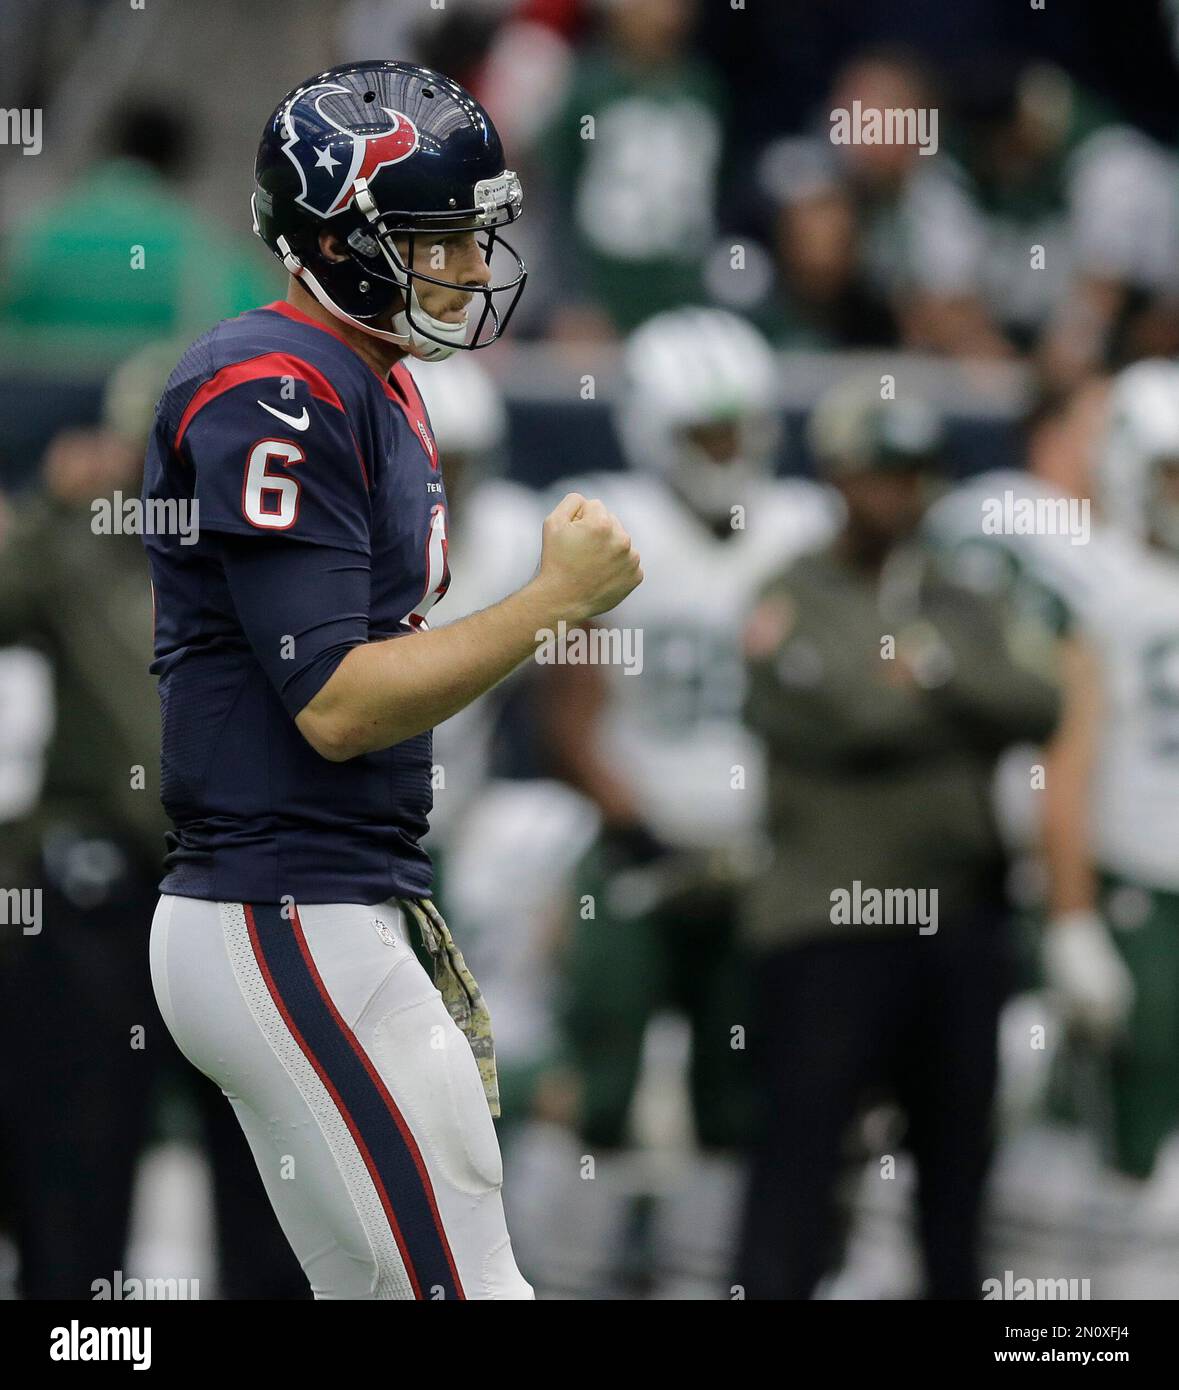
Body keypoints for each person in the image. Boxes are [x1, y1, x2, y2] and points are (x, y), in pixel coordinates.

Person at [140, 59, 641, 1302]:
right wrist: (550, 602)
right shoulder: (277, 385)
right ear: (337, 239)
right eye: (435, 239)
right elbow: (340, 702)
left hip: (331, 896)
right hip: (281, 902)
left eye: (472, 238)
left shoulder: (371, 378)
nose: (470, 268)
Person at [735, 376, 1061, 1299]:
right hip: (826, 924)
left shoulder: (959, 597)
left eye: (915, 474)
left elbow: (1040, 703)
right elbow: (843, 717)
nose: (899, 495)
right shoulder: (791, 588)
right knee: (799, 1165)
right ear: (838, 476)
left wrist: (933, 672)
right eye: (881, 473)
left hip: (957, 922)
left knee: (956, 1176)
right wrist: (948, 700)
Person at [541, 307, 836, 1295]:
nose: (728, 451)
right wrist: (636, 820)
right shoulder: (610, 524)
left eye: (737, 427)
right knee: (605, 1077)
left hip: (765, 854)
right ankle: (565, 1272)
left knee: (737, 1094)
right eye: (705, 432)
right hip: (635, 846)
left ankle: (712, 1275)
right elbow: (571, 714)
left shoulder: (803, 528)